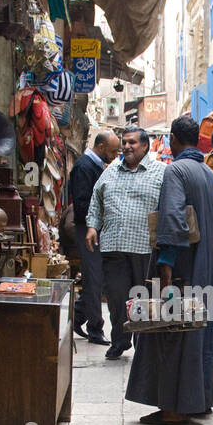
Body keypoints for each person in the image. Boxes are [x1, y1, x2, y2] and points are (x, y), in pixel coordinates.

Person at [125, 115, 213, 425]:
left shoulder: (176, 171)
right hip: (207, 268)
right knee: (200, 331)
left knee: (173, 330)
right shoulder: (208, 174)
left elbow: (173, 220)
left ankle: (174, 409)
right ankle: (199, 401)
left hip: (185, 267)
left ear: (172, 140)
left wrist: (165, 267)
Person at [86, 127, 166, 359]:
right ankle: (120, 341)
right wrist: (92, 226)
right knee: (117, 298)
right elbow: (96, 200)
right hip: (114, 246)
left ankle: (143, 342)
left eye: (133, 142)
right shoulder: (110, 172)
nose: (127, 146)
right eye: (125, 142)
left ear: (145, 146)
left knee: (142, 297)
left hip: (145, 247)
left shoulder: (161, 172)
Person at [69, 130, 120, 345]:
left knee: (97, 278)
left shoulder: (95, 166)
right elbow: (82, 205)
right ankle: (95, 328)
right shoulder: (84, 167)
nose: (115, 154)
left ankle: (79, 315)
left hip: (96, 229)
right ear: (100, 147)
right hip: (88, 230)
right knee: (94, 277)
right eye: (112, 150)